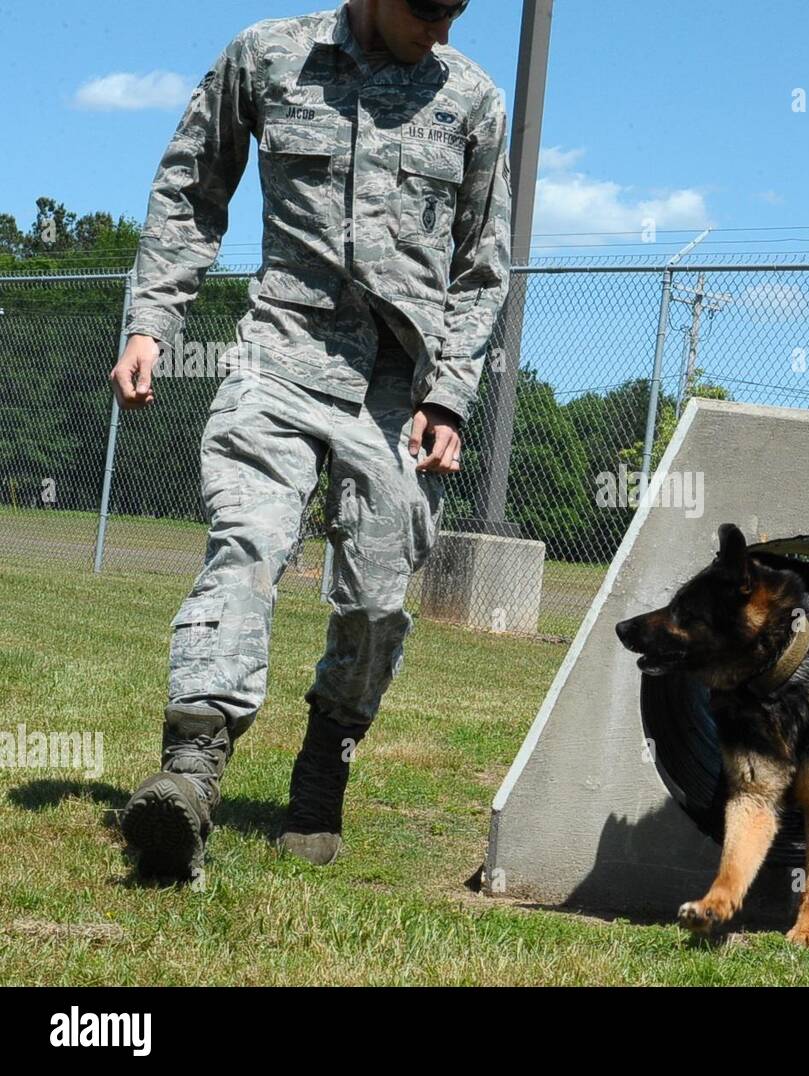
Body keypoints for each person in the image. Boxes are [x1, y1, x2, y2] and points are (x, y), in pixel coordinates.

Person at [108, 0, 511, 879]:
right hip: (280, 359)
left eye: (455, 11)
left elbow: (483, 265)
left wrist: (448, 399)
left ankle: (325, 764)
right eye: (424, 9)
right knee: (247, 544)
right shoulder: (268, 55)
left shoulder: (472, 98)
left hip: (398, 389)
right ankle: (191, 772)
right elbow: (189, 188)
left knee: (375, 598)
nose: (439, 30)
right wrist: (151, 324)